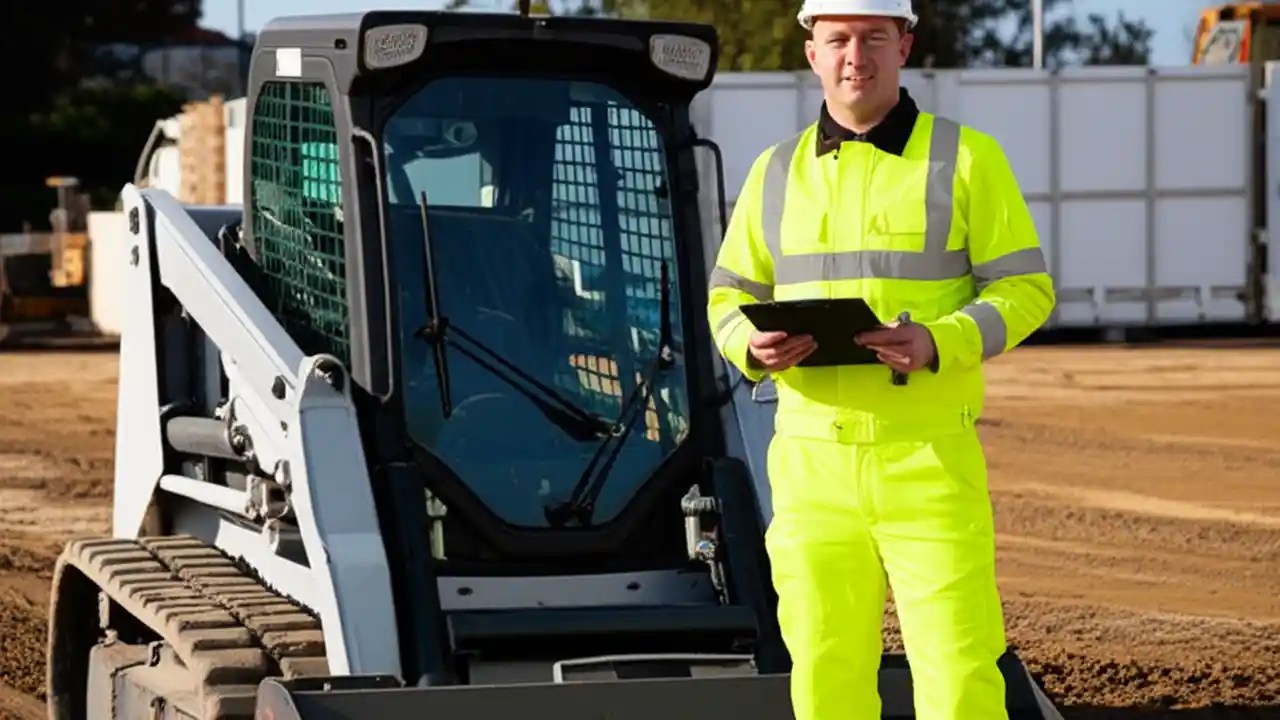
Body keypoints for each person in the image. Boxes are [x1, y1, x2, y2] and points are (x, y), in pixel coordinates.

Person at [705, 1, 1057, 718]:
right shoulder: (775, 173)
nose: (854, 56)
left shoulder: (966, 158)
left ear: (905, 45)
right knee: (826, 678)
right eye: (836, 40)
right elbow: (726, 297)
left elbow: (1027, 289)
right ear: (812, 52)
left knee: (959, 676)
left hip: (925, 460)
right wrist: (751, 343)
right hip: (808, 469)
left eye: (872, 38)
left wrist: (939, 340)